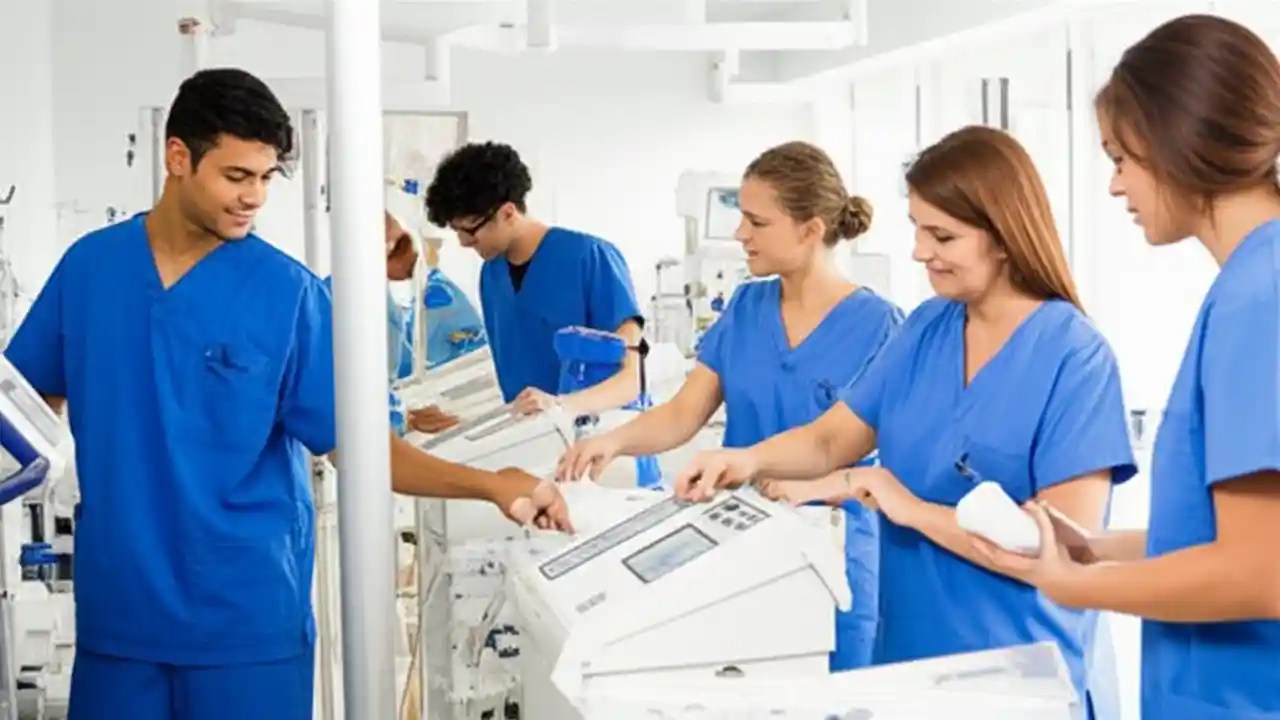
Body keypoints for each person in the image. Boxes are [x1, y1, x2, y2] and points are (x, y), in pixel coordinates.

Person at [3, 68, 570, 720]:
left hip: (245, 624)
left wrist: (494, 484)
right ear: (177, 158)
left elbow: (363, 450)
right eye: (237, 177)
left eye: (267, 178)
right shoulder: (89, 270)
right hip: (120, 622)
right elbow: (26, 410)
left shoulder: (288, 295)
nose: (255, 198)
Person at [675, 126, 1135, 718]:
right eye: (917, 229)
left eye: (941, 234)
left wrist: (906, 505)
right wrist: (745, 459)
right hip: (913, 664)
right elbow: (831, 438)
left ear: (1004, 236)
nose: (920, 251)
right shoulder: (926, 329)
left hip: (1021, 677)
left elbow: (1064, 546)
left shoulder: (1074, 356)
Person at [972, 15, 1280, 720]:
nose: (1114, 186)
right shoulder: (1251, 284)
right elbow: (1233, 535)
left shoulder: (1258, 298)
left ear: (1174, 144)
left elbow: (1260, 573)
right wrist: (1095, 549)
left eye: (1120, 158)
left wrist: (1073, 587)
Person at [557, 141, 901, 670]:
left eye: (756, 222)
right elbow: (683, 413)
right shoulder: (746, 307)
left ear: (810, 229)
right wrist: (612, 440)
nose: (740, 233)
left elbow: (839, 444)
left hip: (831, 557)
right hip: (739, 537)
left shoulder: (879, 326)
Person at [424, 141, 645, 418]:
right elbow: (521, 392)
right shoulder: (492, 275)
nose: (464, 243)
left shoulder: (590, 258)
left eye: (470, 231)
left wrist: (562, 406)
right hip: (533, 440)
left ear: (507, 213)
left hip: (601, 436)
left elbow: (632, 380)